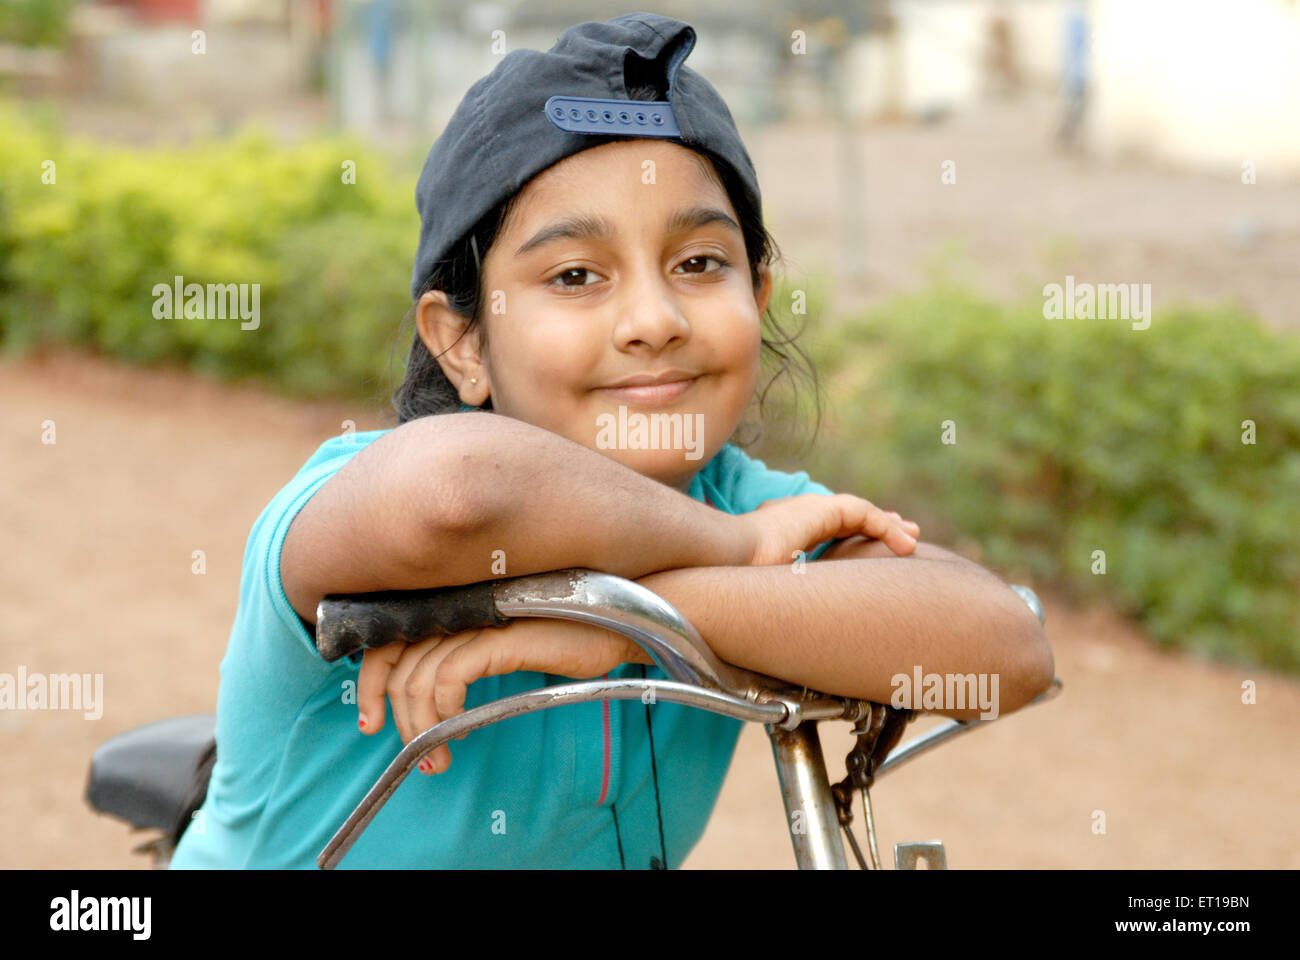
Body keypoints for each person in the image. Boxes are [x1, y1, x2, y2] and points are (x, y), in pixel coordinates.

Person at [170, 13, 1052, 870]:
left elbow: (1006, 647)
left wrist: (632, 624)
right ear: (463, 343)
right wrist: (733, 555)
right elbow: (458, 493)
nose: (653, 320)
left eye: (700, 263)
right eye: (576, 275)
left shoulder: (742, 496)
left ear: (760, 293)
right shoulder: (358, 500)